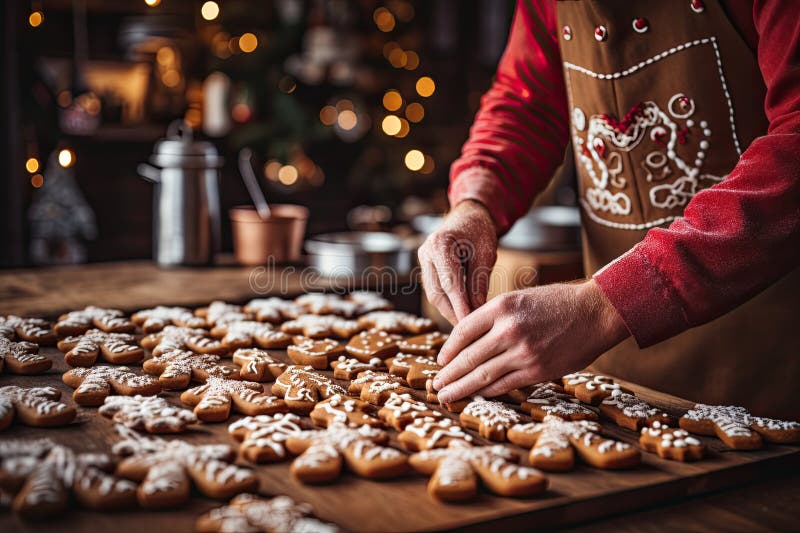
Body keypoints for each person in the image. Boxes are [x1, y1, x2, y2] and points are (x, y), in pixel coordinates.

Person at [420, 0, 800, 418]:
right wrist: (475, 205)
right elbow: (525, 105)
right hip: (616, 384)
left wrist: (603, 305)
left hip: (769, 377)